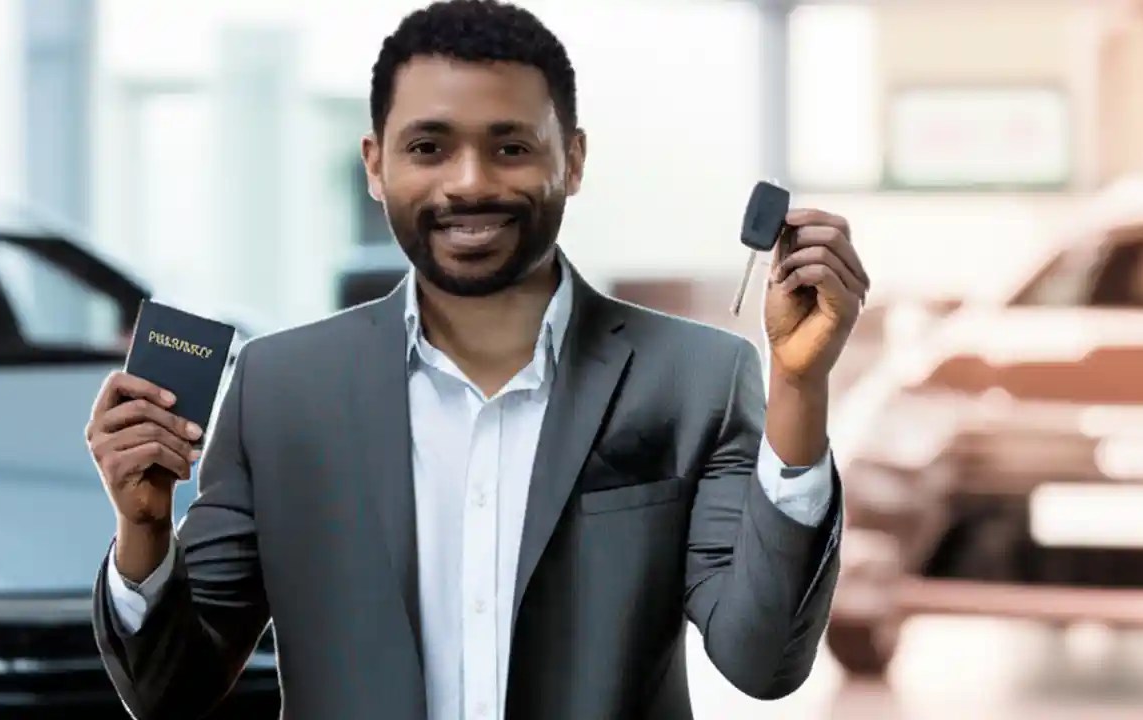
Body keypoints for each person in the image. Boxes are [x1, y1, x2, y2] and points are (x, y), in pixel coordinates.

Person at [86, 1, 870, 718]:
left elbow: (763, 662)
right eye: (429, 146)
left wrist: (800, 385)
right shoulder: (279, 389)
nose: (470, 183)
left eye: (510, 147)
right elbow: (170, 690)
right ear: (375, 163)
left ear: (573, 160)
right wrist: (144, 531)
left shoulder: (693, 378)